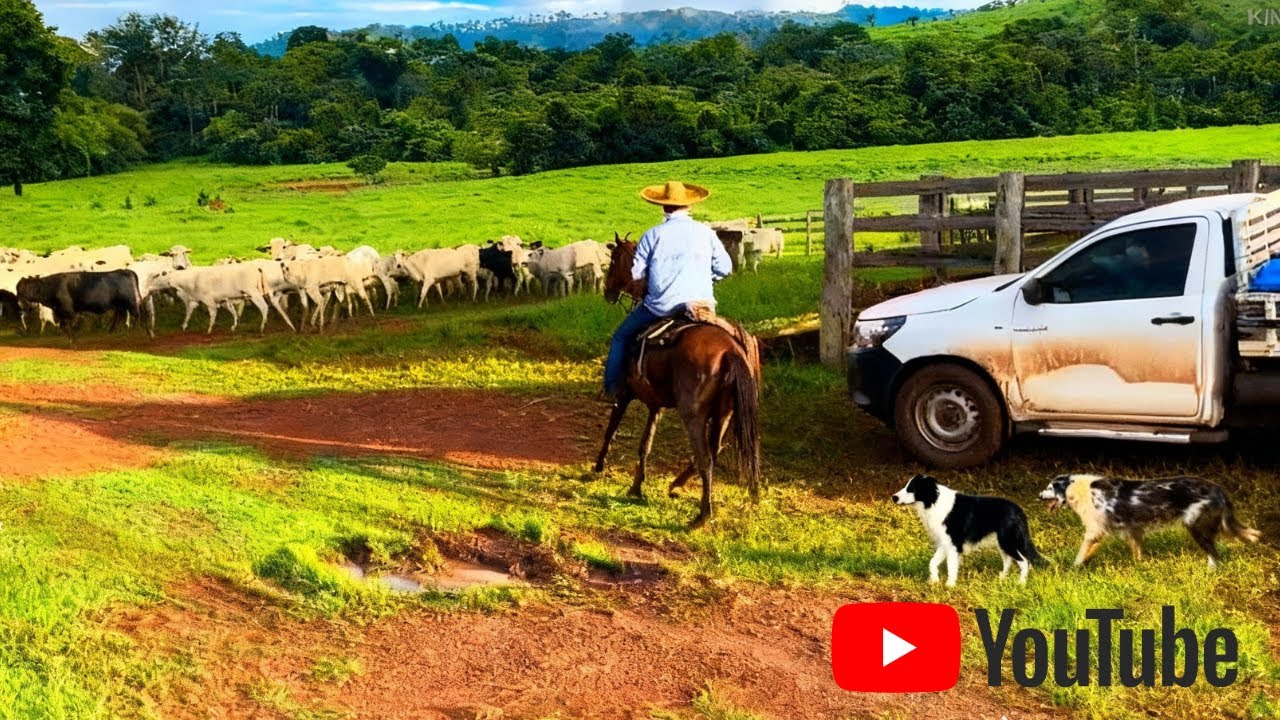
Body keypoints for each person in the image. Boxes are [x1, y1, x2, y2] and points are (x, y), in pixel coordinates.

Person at [600, 180, 733, 402]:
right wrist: (706, 277)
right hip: (702, 306)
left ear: (663, 206)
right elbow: (725, 268)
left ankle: (612, 389)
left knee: (620, 337)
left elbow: (637, 275)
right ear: (689, 206)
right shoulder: (706, 232)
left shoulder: (652, 235)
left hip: (661, 306)